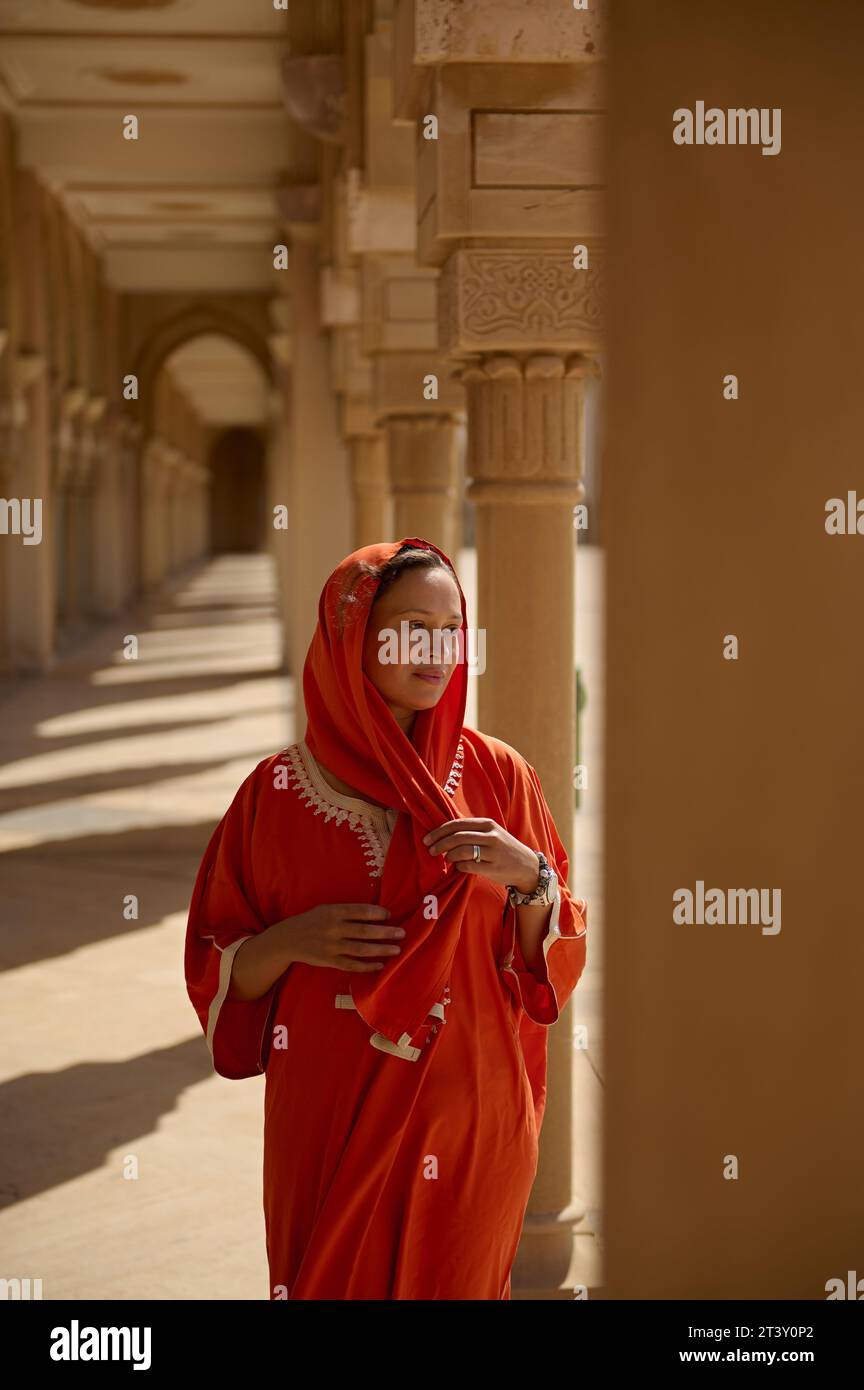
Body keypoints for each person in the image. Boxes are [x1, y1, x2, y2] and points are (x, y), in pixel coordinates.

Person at [184, 537, 587, 1299]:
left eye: (450, 628)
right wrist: (288, 942)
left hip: (471, 1113)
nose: (435, 649)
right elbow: (215, 963)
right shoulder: (271, 797)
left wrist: (529, 877)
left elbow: (549, 962)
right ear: (351, 640)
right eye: (410, 627)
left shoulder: (501, 776)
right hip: (329, 1111)